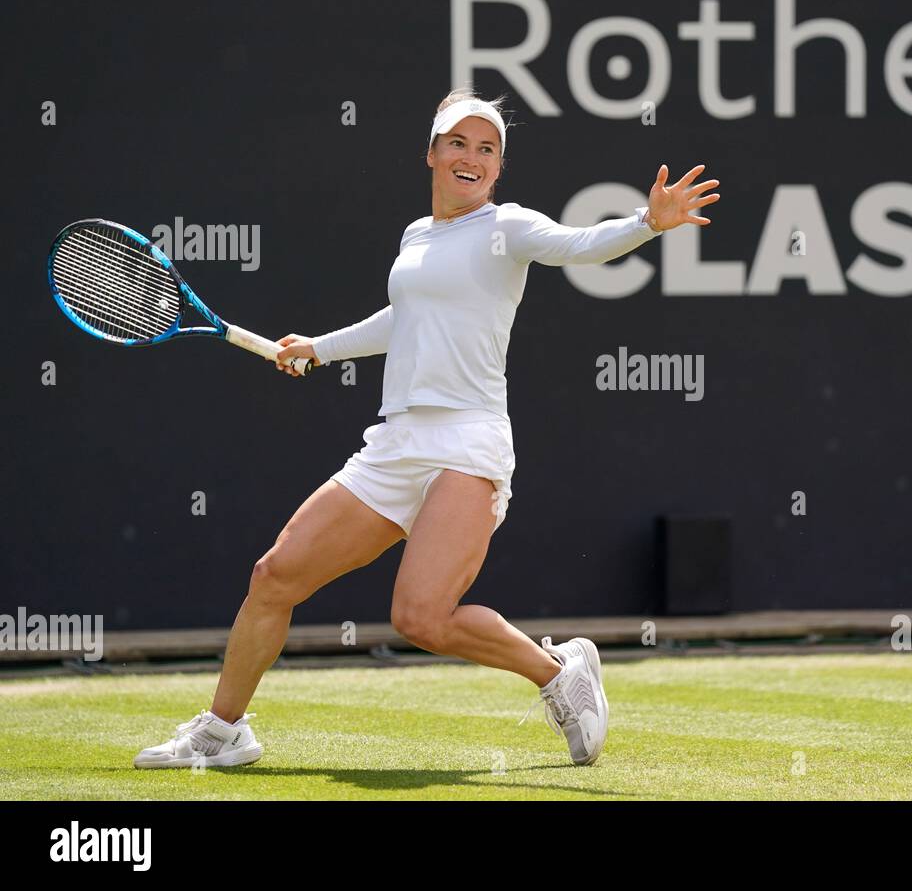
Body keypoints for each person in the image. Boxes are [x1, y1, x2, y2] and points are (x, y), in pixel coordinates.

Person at [133, 87, 721, 770]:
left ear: (497, 169)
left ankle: (558, 674)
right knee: (274, 576)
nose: (472, 157)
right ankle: (222, 732)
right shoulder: (417, 236)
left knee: (422, 618)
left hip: (467, 444)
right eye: (458, 144)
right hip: (396, 443)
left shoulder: (510, 226)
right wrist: (320, 346)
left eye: (487, 149)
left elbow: (580, 245)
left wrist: (647, 223)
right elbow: (404, 321)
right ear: (433, 154)